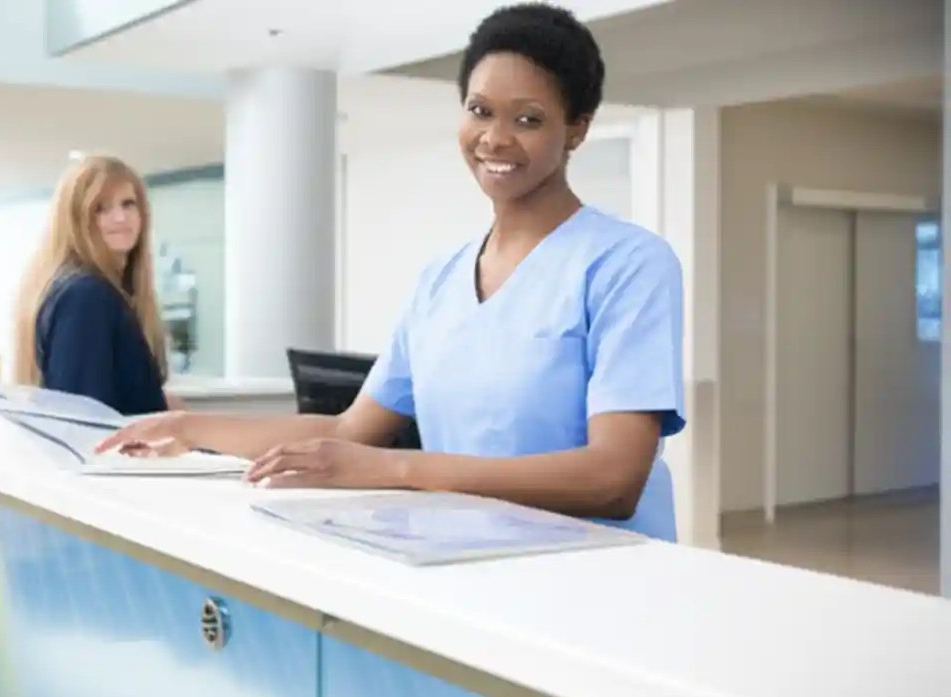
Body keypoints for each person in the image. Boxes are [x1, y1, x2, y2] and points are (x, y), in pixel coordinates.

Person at [98, 2, 685, 541]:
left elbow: (614, 477)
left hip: (604, 584)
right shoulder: (440, 280)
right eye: (479, 110)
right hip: (475, 569)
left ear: (577, 127)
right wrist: (189, 428)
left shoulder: (627, 265)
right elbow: (350, 432)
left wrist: (397, 468)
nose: (495, 138)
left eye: (528, 119)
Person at [12, 155, 175, 415]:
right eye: (101, 208)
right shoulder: (86, 296)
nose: (120, 218)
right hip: (111, 455)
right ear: (76, 221)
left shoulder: (93, 291)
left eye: (128, 204)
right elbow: (86, 421)